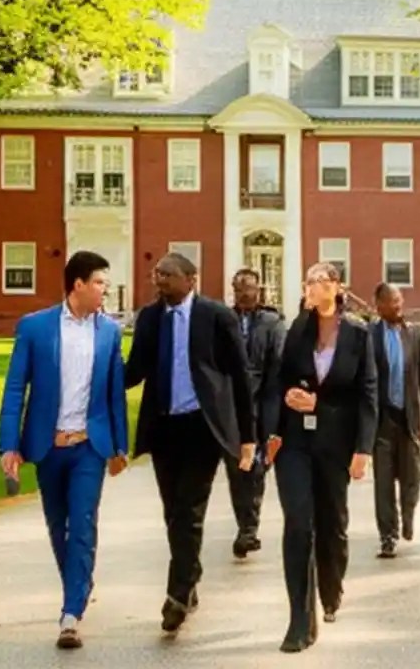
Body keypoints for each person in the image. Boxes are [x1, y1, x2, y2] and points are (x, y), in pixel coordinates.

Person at [0, 251, 130, 648]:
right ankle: (79, 582)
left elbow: (114, 396)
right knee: (59, 527)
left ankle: (70, 614)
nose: (106, 289)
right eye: (100, 283)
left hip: (89, 446)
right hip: (47, 446)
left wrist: (119, 447)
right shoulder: (35, 328)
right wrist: (9, 445)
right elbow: (15, 388)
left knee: (83, 523)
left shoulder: (109, 331)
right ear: (78, 285)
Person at [124, 252, 256, 635]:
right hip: (164, 428)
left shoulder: (216, 317)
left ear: (191, 279)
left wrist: (247, 438)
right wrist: (94, 377)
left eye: (167, 275)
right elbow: (134, 372)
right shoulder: (150, 318)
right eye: (156, 274)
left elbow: (240, 379)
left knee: (189, 510)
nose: (159, 280)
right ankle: (190, 575)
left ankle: (177, 595)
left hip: (203, 428)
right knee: (172, 511)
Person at [266, 262, 376, 653]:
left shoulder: (359, 334)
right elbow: (280, 378)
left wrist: (362, 448)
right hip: (295, 441)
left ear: (334, 287)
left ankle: (331, 587)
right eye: (307, 282)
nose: (309, 288)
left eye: (316, 282)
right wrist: (281, 412)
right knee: (298, 522)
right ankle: (299, 618)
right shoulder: (297, 327)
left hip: (335, 443)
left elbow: (365, 394)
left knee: (332, 524)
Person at [370, 283, 420, 559]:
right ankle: (388, 536)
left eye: (399, 300)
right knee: (384, 481)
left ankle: (408, 513)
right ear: (378, 306)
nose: (397, 306)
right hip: (382, 420)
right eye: (391, 302)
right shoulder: (370, 336)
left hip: (408, 417)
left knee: (413, 475)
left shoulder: (414, 336)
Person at [227, 269, 286, 560]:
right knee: (238, 470)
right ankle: (245, 527)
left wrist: (274, 421)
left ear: (258, 290)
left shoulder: (273, 323)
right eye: (238, 290)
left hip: (263, 405)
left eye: (248, 289)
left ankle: (249, 528)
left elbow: (278, 374)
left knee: (258, 469)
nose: (243, 295)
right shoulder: (224, 321)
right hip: (233, 409)